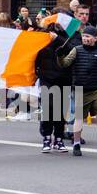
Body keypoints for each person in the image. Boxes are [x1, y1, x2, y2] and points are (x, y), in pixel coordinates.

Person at [57, 10, 97, 157]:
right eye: (84, 36)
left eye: (88, 36)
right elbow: (65, 64)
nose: (85, 39)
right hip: (79, 89)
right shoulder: (76, 50)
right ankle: (76, 144)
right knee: (79, 118)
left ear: (96, 38)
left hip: (95, 90)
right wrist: (60, 56)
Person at [34, 20, 73, 153]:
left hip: (64, 78)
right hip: (46, 78)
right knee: (48, 108)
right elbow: (33, 55)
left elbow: (72, 50)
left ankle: (58, 138)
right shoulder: (41, 38)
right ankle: (46, 137)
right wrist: (36, 73)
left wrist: (58, 39)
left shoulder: (67, 38)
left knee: (61, 110)